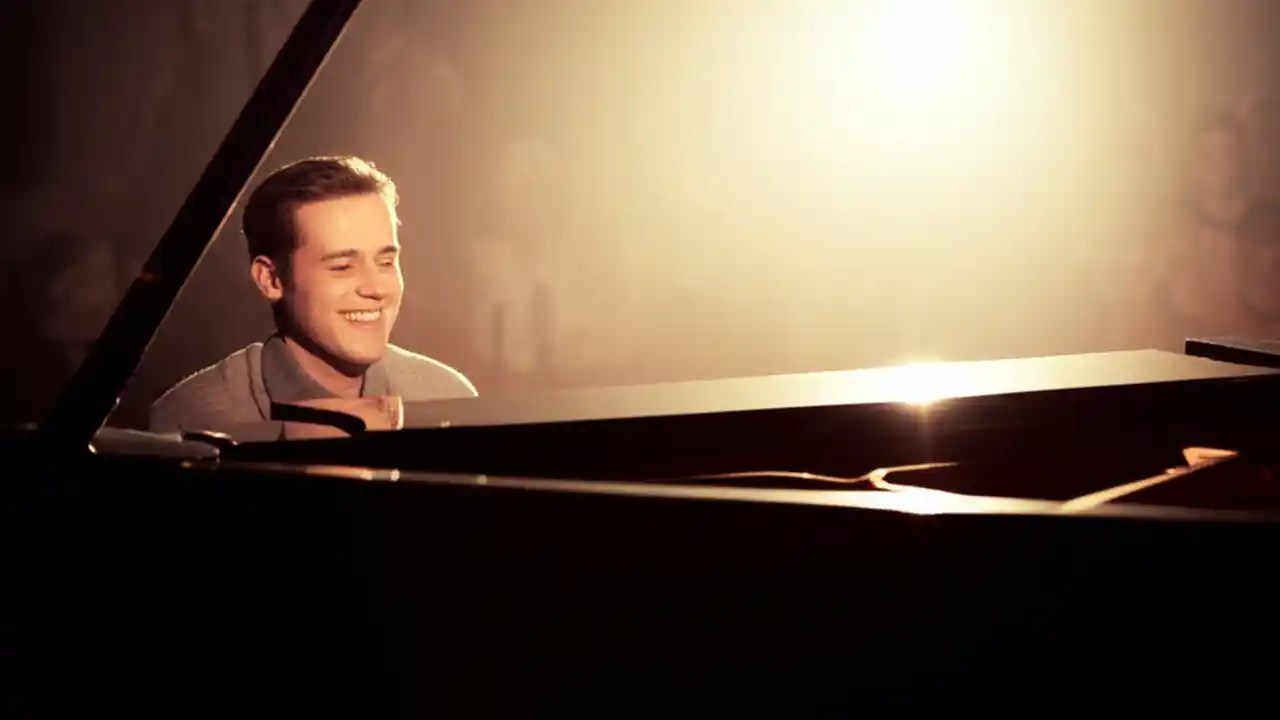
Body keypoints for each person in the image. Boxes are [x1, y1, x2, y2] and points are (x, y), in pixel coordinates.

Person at [149, 156, 476, 439]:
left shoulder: (446, 397)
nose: (376, 288)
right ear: (271, 279)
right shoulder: (193, 418)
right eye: (343, 266)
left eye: (386, 262)